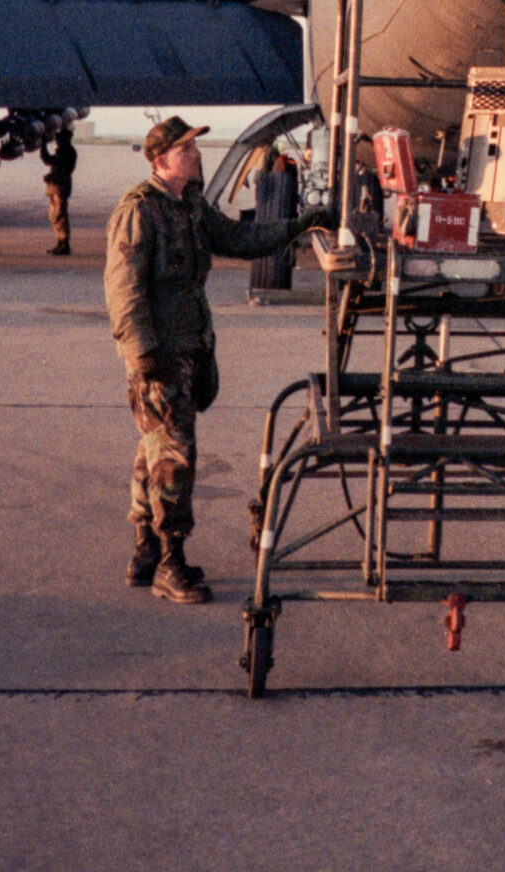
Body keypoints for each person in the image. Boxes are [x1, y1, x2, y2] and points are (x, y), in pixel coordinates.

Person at [104, 116, 327, 605]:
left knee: (153, 453)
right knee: (175, 460)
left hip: (188, 348)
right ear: (161, 160)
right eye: (186, 149)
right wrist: (144, 356)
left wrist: (302, 224)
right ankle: (170, 563)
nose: (196, 154)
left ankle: (144, 552)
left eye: (194, 147)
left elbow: (240, 240)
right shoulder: (140, 210)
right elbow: (123, 290)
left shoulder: (190, 207)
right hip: (159, 353)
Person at [41, 121, 77, 256]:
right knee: (54, 216)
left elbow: (53, 162)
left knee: (60, 215)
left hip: (60, 186)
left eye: (59, 139)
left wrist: (43, 145)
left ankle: (64, 244)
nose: (57, 141)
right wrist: (43, 145)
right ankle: (59, 242)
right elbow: (49, 160)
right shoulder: (62, 151)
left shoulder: (68, 152)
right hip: (54, 187)